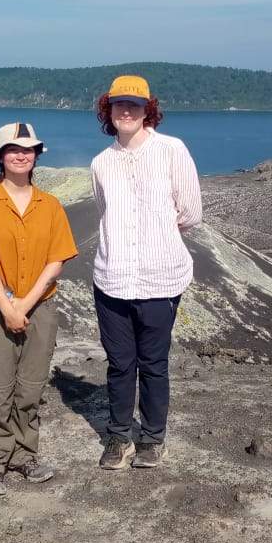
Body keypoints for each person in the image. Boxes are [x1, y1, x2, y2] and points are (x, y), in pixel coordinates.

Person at [0, 122, 79, 497]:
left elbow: (57, 259)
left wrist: (24, 305)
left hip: (39, 308)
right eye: (13, 149)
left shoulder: (51, 206)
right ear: (1, 157)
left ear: (36, 156)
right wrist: (7, 308)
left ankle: (25, 456)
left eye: (28, 149)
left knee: (30, 388)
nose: (21, 155)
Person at [90, 75, 202, 469]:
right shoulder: (101, 162)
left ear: (147, 110)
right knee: (120, 364)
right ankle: (119, 437)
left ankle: (153, 439)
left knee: (154, 363)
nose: (126, 111)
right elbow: (107, 212)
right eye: (119, 104)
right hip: (113, 279)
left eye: (134, 105)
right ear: (108, 109)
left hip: (160, 279)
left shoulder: (172, 150)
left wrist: (156, 234)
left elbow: (190, 212)